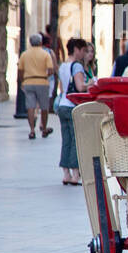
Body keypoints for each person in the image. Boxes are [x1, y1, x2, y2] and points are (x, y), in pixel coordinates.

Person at [56, 38, 91, 185]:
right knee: (76, 139)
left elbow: (63, 88)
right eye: (83, 50)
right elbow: (80, 86)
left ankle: (66, 173)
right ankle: (76, 174)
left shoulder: (63, 66)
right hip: (73, 106)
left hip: (62, 105)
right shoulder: (77, 66)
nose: (84, 54)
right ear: (77, 49)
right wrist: (91, 83)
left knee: (66, 140)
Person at [16, 32, 55, 140]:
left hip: (28, 82)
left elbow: (20, 70)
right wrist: (44, 76)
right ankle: (44, 128)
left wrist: (22, 80)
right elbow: (51, 70)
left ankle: (32, 130)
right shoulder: (45, 54)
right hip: (42, 82)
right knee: (44, 107)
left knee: (30, 107)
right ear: (41, 42)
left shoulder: (24, 54)